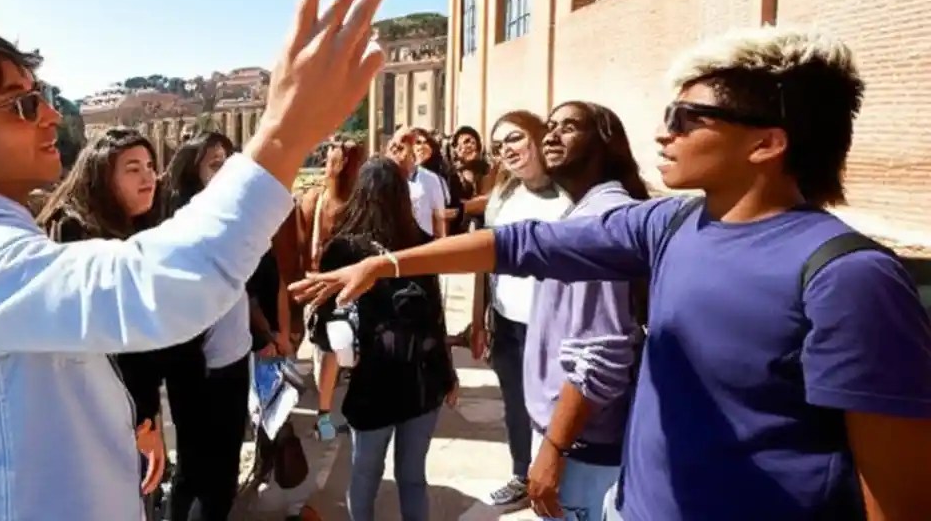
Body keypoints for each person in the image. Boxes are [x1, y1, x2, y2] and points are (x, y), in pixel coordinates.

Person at [292, 26, 931, 521]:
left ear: (767, 143)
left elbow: (897, 500)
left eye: (688, 118)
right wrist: (388, 262)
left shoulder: (848, 279)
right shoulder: (670, 225)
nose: (662, 132)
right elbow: (524, 243)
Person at [0, 0, 398, 520]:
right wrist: (284, 129)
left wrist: (125, 427)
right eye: (22, 105)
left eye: (40, 95)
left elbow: (57, 374)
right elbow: (152, 287)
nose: (50, 116)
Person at [34, 129, 177, 506]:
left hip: (130, 412)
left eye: (150, 166)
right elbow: (100, 345)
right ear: (101, 175)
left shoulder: (130, 228)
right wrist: (136, 424)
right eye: (133, 169)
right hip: (104, 419)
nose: (149, 177)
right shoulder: (75, 232)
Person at [520, 101, 647, 519]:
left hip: (584, 446)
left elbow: (602, 353)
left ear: (604, 144)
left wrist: (554, 449)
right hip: (578, 439)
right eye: (550, 126)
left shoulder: (602, 221)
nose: (551, 135)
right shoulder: (584, 212)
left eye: (569, 127)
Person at [318, 157, 457, 521]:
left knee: (365, 475)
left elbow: (327, 327)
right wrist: (450, 374)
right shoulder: (420, 243)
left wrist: (323, 405)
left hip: (373, 383)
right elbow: (435, 317)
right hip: (424, 380)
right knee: (413, 479)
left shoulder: (342, 249)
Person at [161, 131, 284, 520]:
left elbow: (249, 288)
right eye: (216, 164)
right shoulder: (184, 227)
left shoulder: (232, 222)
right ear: (192, 172)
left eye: (229, 162)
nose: (227, 170)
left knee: (220, 474)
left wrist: (265, 334)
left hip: (232, 362)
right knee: (198, 476)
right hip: (200, 373)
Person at [470, 111, 572, 512]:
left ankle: (555, 477)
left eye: (514, 138)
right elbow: (486, 260)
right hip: (508, 321)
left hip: (554, 326)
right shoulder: (503, 195)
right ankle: (520, 472)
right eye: (499, 146)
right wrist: (478, 320)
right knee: (515, 402)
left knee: (553, 406)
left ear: (537, 136)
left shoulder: (571, 195)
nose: (506, 150)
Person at [299, 135, 364, 440]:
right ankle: (354, 413)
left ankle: (323, 418)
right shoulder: (358, 203)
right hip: (351, 282)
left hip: (318, 282)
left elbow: (302, 245)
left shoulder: (314, 198)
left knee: (326, 352)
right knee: (348, 350)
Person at [386, 129, 447, 238]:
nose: (401, 152)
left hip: (424, 244)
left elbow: (439, 220)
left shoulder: (431, 179)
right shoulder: (384, 177)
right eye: (398, 147)